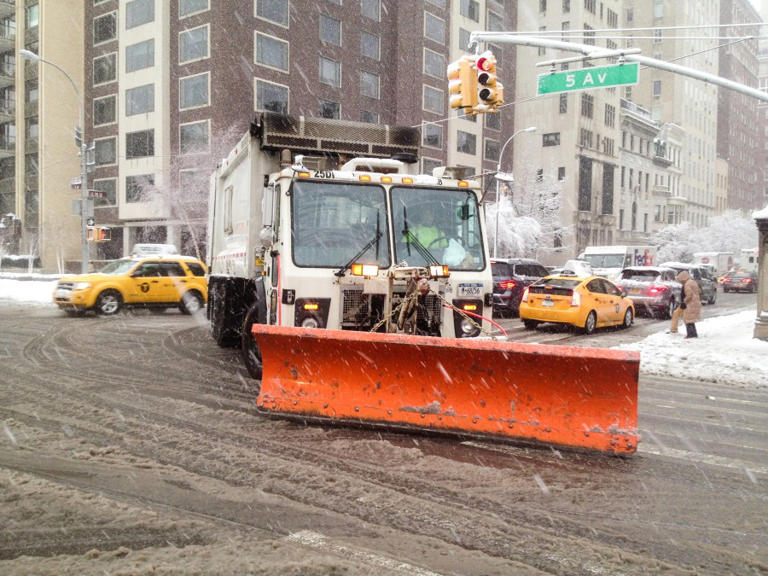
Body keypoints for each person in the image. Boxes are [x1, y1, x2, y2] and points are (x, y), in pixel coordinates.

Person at [676, 270, 702, 338]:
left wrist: (684, 301)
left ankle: (690, 334)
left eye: (680, 280)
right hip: (695, 303)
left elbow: (689, 295)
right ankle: (694, 333)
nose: (680, 282)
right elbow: (699, 291)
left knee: (688, 320)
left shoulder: (687, 284)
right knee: (691, 320)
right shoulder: (693, 282)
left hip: (690, 304)